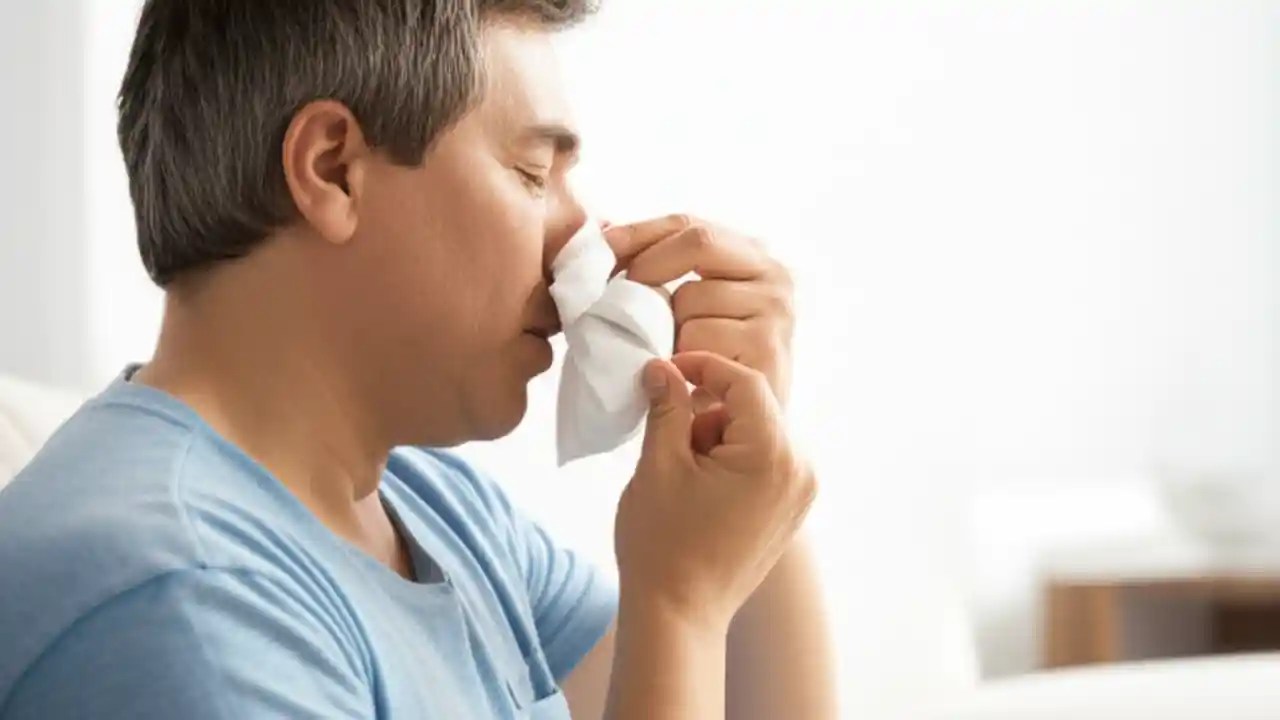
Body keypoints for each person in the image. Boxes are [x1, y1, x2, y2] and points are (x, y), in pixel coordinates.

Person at [0, 1, 834, 717]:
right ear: (333, 170)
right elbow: (679, 640)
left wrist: (732, 437)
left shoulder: (433, 510)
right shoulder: (180, 604)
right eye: (532, 172)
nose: (586, 240)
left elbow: (707, 690)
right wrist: (678, 603)